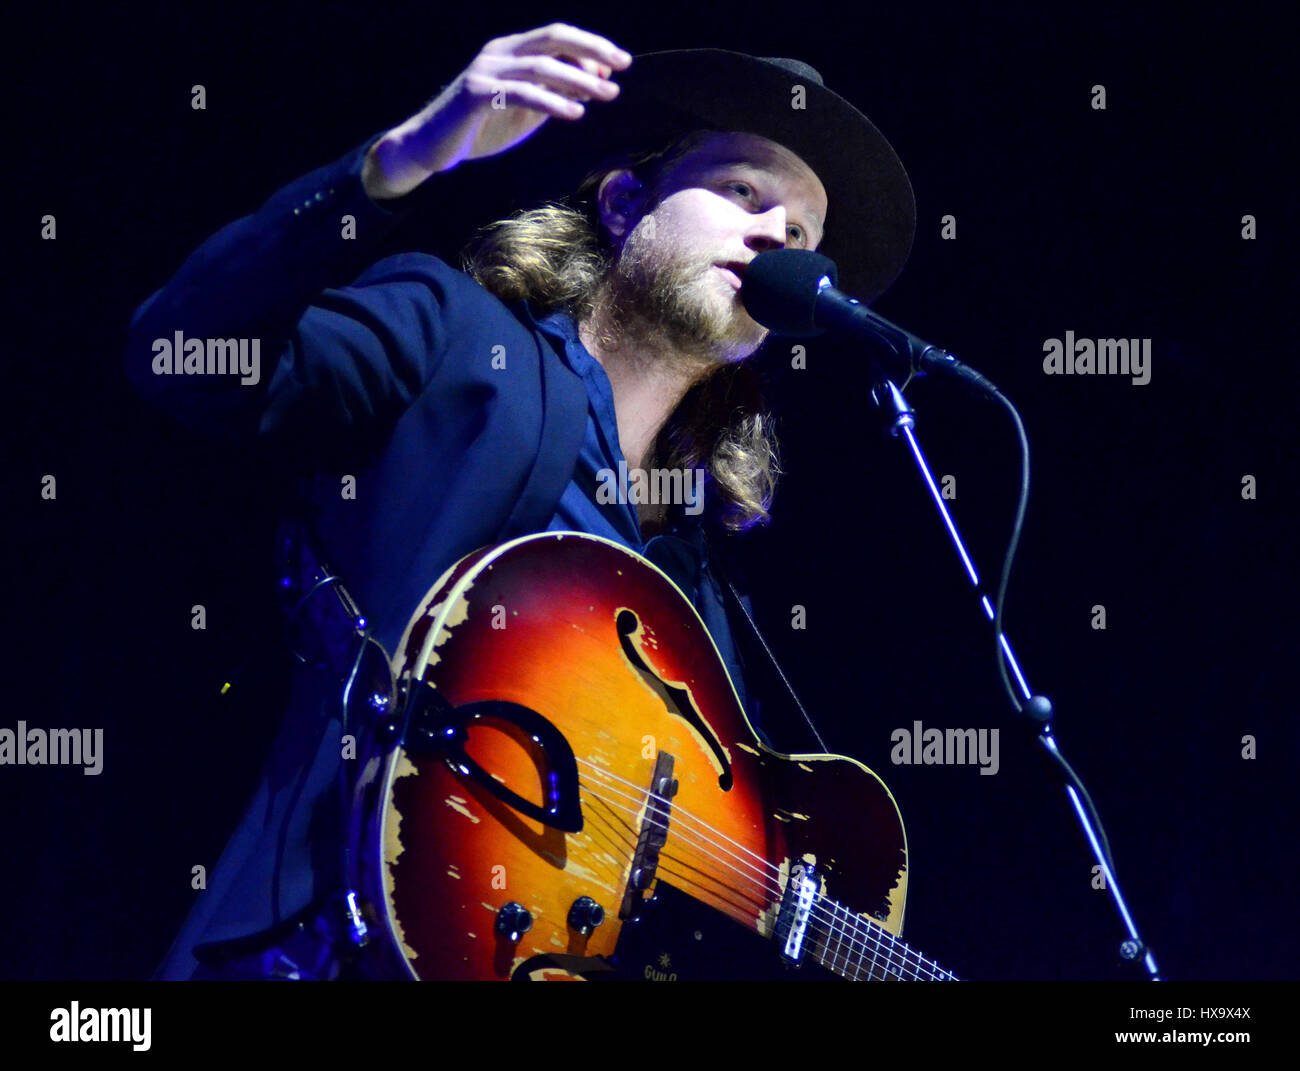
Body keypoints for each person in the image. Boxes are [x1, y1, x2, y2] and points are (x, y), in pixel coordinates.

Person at [124, 22, 916, 980]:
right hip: (314, 950)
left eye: (799, 235)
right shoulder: (454, 341)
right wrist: (402, 159)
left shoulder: (696, 585)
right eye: (743, 191)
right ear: (626, 203)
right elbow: (182, 355)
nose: (773, 238)